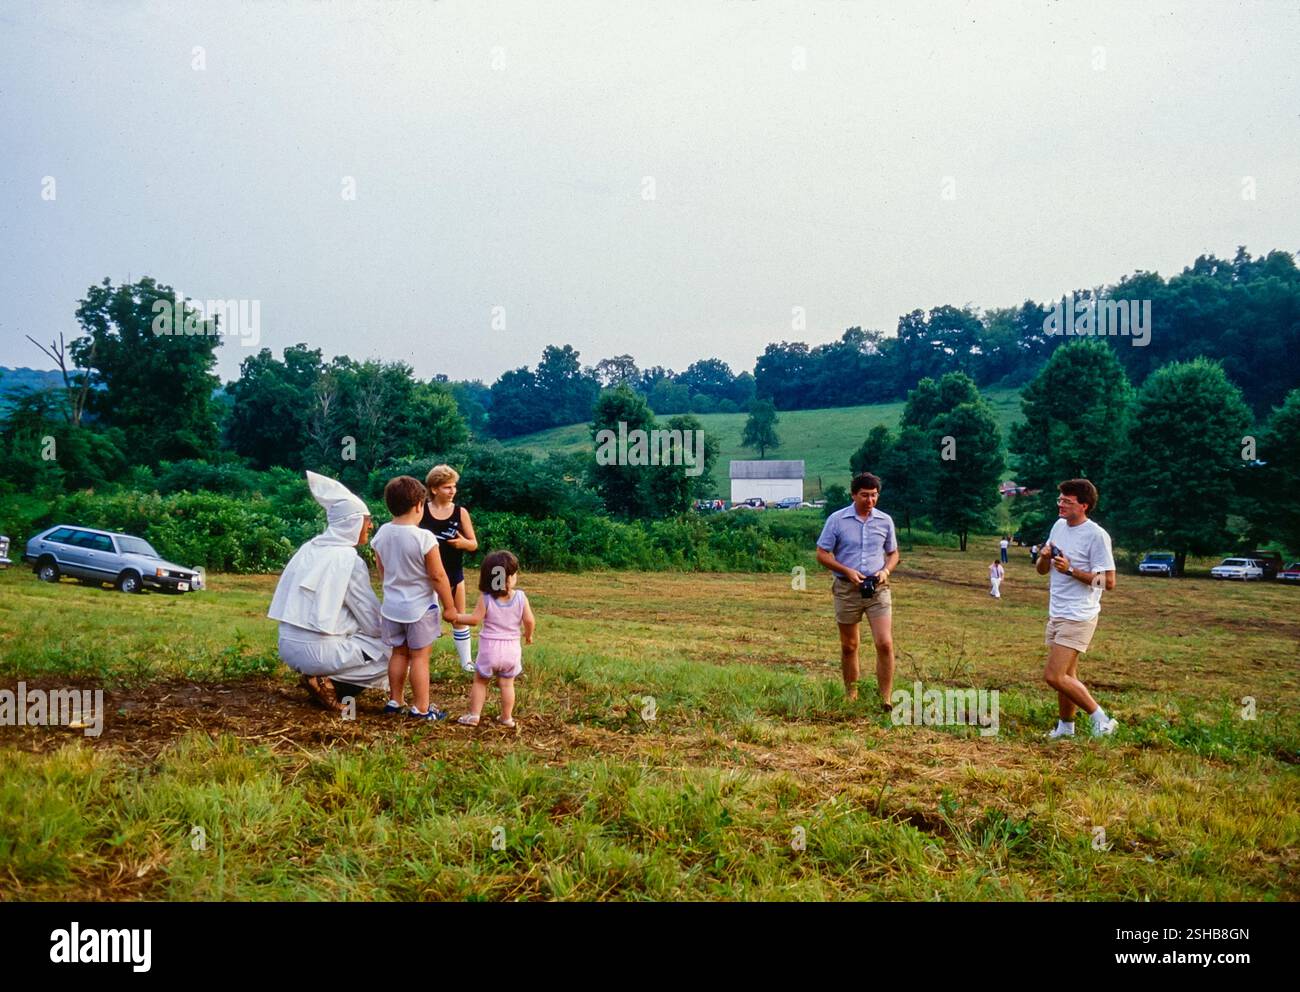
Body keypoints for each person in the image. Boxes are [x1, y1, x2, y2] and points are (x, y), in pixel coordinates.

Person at [268, 471, 391, 712]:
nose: (371, 526)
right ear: (353, 522)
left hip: (287, 646)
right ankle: (330, 685)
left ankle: (320, 679)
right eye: (367, 520)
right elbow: (371, 621)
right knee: (395, 653)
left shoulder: (309, 547)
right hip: (318, 652)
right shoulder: (348, 559)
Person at [371, 476, 459, 721]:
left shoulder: (381, 534)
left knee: (399, 654)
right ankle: (421, 708)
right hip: (420, 608)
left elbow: (382, 570)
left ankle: (395, 700)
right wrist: (450, 607)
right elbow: (438, 576)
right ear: (420, 505)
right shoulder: (424, 539)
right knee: (420, 657)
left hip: (391, 607)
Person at [1037, 478, 1118, 739]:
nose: (1060, 505)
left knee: (1054, 675)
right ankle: (1066, 727)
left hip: (1080, 615)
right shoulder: (1059, 526)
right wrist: (1045, 557)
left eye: (1067, 502)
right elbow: (1041, 570)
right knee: (1068, 676)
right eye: (1059, 500)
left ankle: (1102, 720)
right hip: (1057, 612)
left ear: (1084, 505)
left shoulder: (1097, 535)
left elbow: (1108, 582)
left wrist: (1071, 570)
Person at [814, 472, 899, 708]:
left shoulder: (885, 521)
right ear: (853, 495)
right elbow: (822, 554)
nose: (869, 501)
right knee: (849, 646)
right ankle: (851, 696)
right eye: (864, 496)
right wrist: (847, 571)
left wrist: (886, 571)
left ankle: (886, 699)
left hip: (878, 589)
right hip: (846, 588)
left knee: (884, 643)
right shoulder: (837, 520)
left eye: (873, 496)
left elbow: (893, 553)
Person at [452, 550, 535, 728]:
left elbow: (474, 620)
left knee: (480, 681)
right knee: (507, 684)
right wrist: (528, 635)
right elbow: (529, 620)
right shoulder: (521, 597)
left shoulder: (486, 598)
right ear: (510, 578)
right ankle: (507, 718)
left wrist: (456, 617)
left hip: (490, 649)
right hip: (511, 649)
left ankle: (474, 715)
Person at [419, 465, 479, 673]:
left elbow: (474, 544)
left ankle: (467, 662)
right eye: (447, 487)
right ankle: (418, 662)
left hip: (454, 573)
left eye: (454, 486)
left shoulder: (460, 512)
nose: (452, 491)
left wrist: (464, 544)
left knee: (458, 616)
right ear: (434, 489)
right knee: (423, 621)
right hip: (425, 575)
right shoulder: (421, 510)